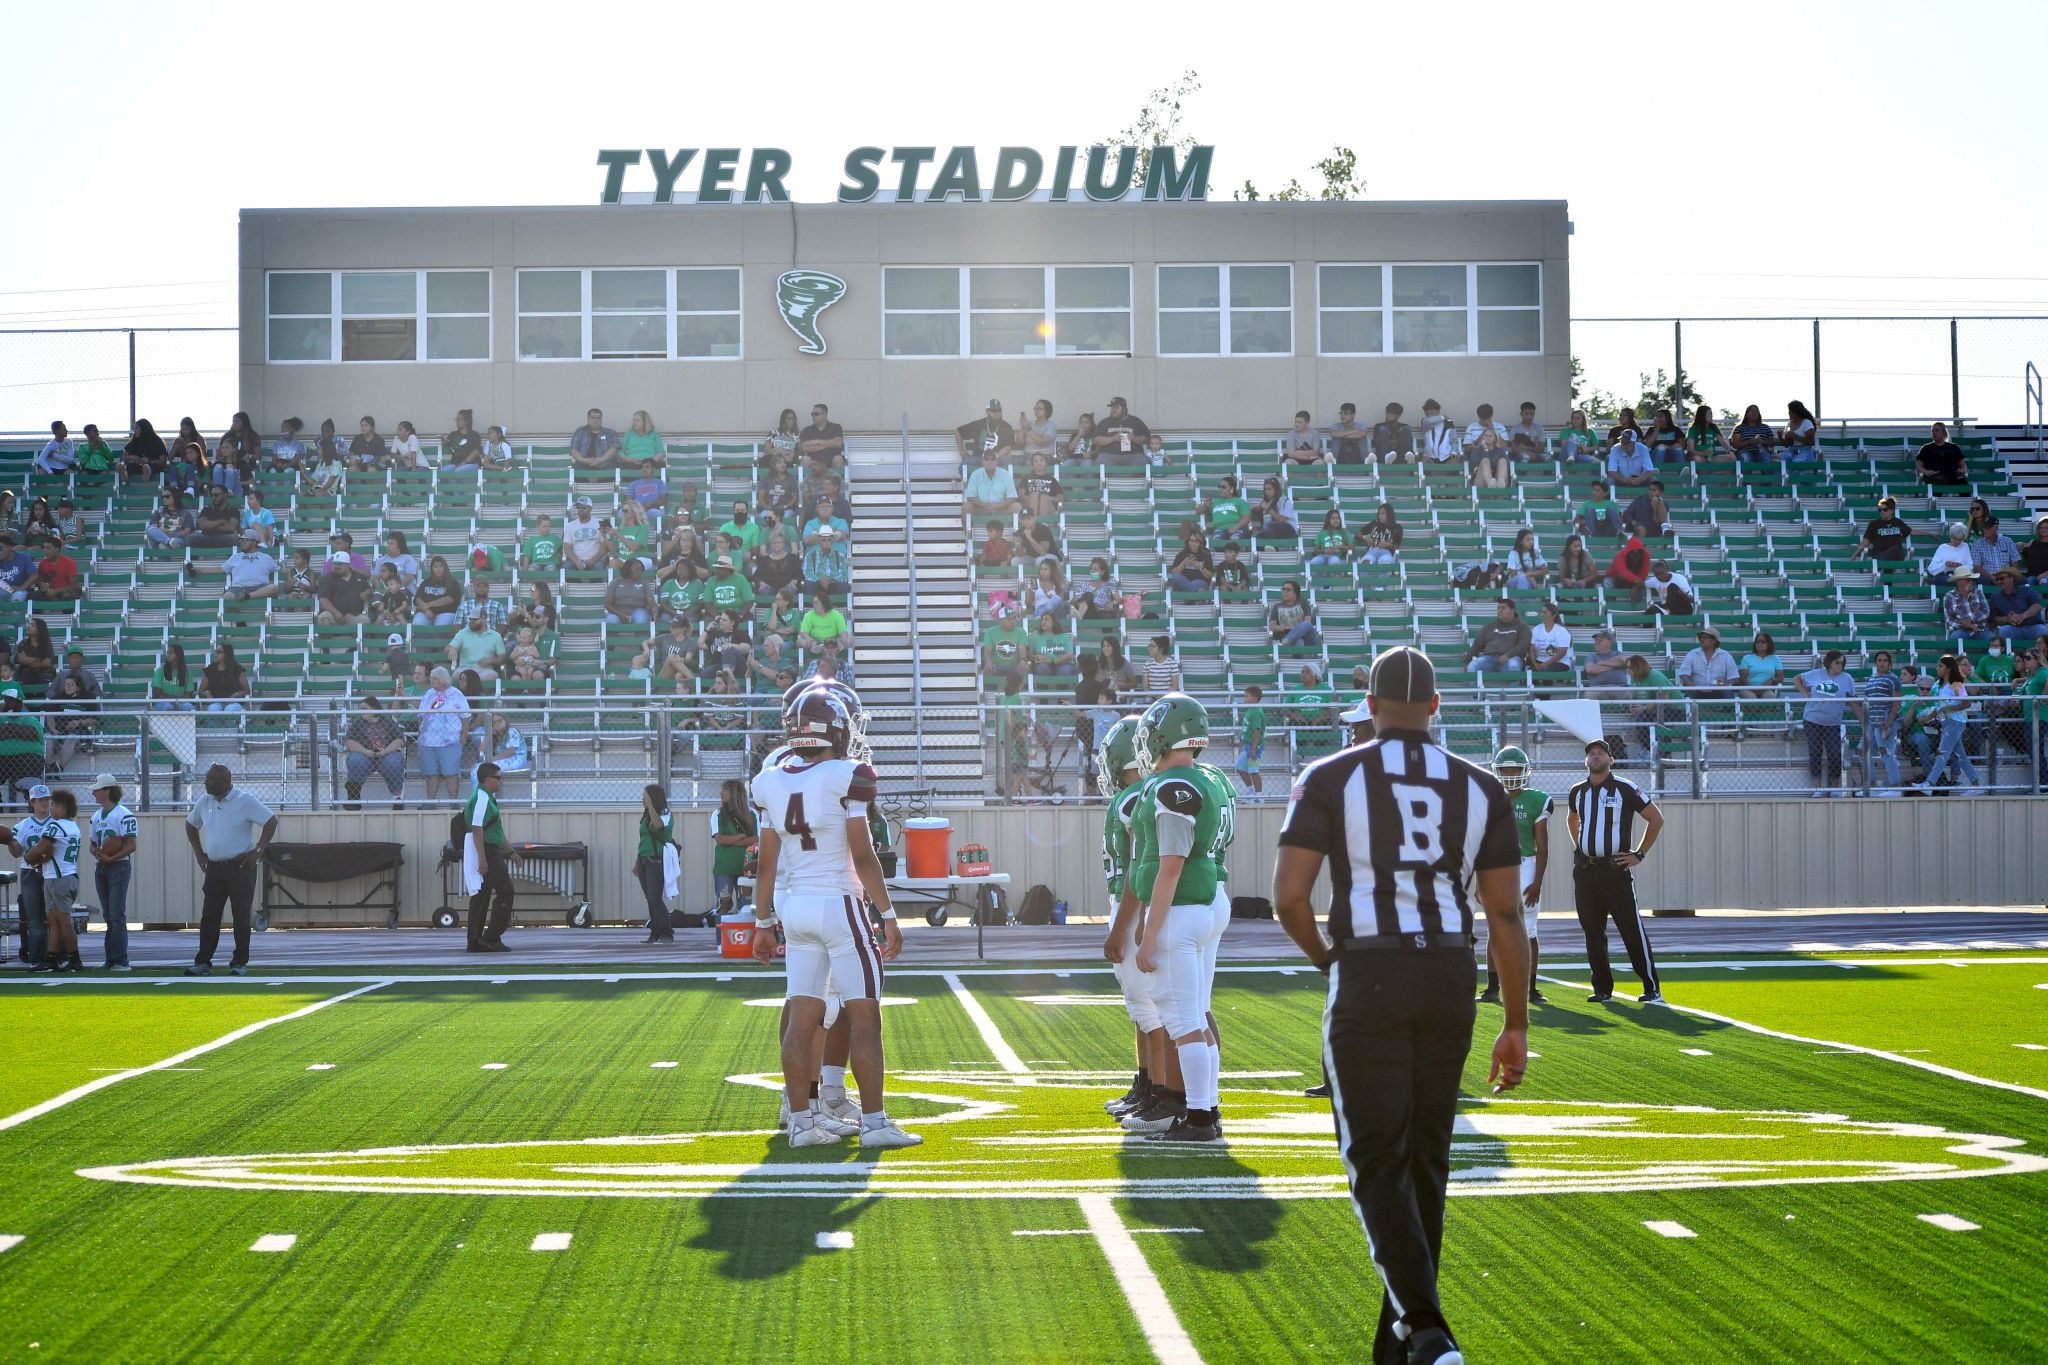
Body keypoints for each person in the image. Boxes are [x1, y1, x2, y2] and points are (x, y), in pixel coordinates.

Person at [1272, 646, 1528, 1365]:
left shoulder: (1330, 776)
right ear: (1438, 705)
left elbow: (1290, 896)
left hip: (1372, 969)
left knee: (1375, 1158)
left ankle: (1423, 1328)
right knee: (1425, 1166)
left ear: (1372, 706)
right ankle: (1409, 1350)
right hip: (1450, 972)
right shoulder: (1481, 786)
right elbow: (1505, 914)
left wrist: (1330, 960)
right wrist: (1516, 1022)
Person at [751, 688, 919, 1149]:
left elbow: (765, 866)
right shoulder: (849, 774)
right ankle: (877, 1123)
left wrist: (762, 923)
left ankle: (802, 1124)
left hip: (796, 908)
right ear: (837, 731)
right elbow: (863, 855)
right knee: (865, 1016)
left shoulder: (769, 780)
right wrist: (888, 913)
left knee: (802, 1016)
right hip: (840, 905)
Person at [1118, 694, 1234, 1143]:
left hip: (1183, 909)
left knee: (1184, 1023)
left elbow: (1169, 865)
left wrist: (1148, 935)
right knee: (1196, 1016)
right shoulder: (1209, 778)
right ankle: (1205, 1111)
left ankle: (1202, 1118)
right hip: (1205, 902)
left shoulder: (1171, 788)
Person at [1097, 715, 1175, 1120]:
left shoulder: (1136, 797)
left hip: (1136, 906)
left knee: (1150, 1009)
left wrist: (1125, 923)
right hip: (1131, 905)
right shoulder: (1134, 796)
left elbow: (1137, 870)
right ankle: (1148, 1084)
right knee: (1139, 1007)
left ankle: (1161, 1093)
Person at [1566, 739, 1664, 1004]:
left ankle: (1651, 986)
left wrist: (1639, 854)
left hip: (1615, 870)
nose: (1596, 757)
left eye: (1601, 753)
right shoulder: (1577, 791)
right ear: (1586, 761)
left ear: (1611, 760)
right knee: (1592, 931)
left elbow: (1656, 819)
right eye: (1591, 754)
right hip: (1586, 871)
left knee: (1630, 928)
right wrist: (1580, 846)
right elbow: (1571, 818)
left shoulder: (1626, 788)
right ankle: (1602, 988)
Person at [183, 764, 278, 976]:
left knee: (241, 915)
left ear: (225, 782)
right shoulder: (204, 801)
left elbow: (271, 821)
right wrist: (199, 852)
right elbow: (190, 825)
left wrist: (258, 851)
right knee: (210, 915)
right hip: (215, 868)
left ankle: (239, 963)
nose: (205, 783)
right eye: (206, 779)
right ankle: (203, 962)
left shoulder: (244, 800)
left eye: (210, 780)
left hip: (240, 867)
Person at [1478, 746, 1549, 1006]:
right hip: (1495, 867)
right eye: (1505, 769)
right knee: (1495, 929)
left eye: (1515, 769)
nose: (1510, 774)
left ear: (1524, 771)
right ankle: (1492, 987)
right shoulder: (1487, 798)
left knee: (1529, 930)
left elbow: (1543, 847)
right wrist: (1480, 881)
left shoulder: (1537, 799)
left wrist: (1538, 882)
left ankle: (1531, 988)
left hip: (1525, 865)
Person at [462, 762, 520, 951]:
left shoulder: (486, 797)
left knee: (482, 895)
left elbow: (495, 830)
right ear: (488, 779)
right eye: (499, 777)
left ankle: (475, 941)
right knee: (506, 891)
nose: (500, 781)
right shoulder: (481, 798)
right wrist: (483, 859)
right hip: (486, 850)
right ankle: (492, 937)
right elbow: (477, 828)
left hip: (487, 849)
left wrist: (511, 852)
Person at [1910, 655, 1985, 796]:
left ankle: (1929, 783)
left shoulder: (1956, 684)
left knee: (1942, 753)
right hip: (1946, 723)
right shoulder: (1939, 685)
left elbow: (1967, 703)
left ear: (1949, 668)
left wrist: (1950, 709)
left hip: (1955, 722)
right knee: (1960, 755)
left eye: (1941, 666)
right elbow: (1939, 706)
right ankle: (1976, 784)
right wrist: (1927, 718)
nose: (1937, 669)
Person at [1794, 650, 1861, 796]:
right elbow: (1797, 679)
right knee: (1815, 753)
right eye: (1837, 662)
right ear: (1829, 662)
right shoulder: (1817, 673)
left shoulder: (1847, 678)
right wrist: (1806, 695)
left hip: (1833, 723)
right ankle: (1818, 789)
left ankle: (1834, 788)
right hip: (1813, 720)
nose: (1840, 665)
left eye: (1842, 663)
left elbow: (1853, 700)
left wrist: (1863, 719)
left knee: (1834, 754)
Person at [88, 775, 136, 971]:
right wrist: (97, 852)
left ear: (107, 790)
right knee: (109, 915)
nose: (93, 792)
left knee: (116, 914)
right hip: (103, 866)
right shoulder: (97, 816)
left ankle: (120, 960)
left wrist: (111, 857)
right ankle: (111, 959)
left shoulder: (124, 814)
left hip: (118, 867)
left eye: (97, 789)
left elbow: (131, 845)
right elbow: (93, 843)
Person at [417, 667, 471, 802]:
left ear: (442, 679)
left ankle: (453, 802)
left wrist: (464, 735)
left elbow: (466, 716)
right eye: (431, 678)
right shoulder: (428, 694)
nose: (431, 680)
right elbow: (421, 714)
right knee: (431, 775)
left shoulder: (457, 694)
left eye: (434, 678)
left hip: (449, 742)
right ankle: (430, 803)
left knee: (451, 774)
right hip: (427, 742)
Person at [343, 695, 407, 806]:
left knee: (394, 761)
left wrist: (385, 751)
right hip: (365, 756)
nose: (361, 711)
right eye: (360, 708)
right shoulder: (357, 723)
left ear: (374, 709)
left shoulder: (388, 722)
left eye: (364, 708)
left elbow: (399, 740)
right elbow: (349, 742)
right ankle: (354, 798)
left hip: (386, 755)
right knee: (355, 760)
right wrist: (365, 751)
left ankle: (397, 798)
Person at [635, 785, 678, 944]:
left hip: (656, 860)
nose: (642, 799)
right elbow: (644, 840)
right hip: (644, 860)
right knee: (650, 899)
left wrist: (651, 806)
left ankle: (666, 932)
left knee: (655, 898)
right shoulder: (647, 816)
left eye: (645, 796)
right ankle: (655, 932)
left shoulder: (664, 814)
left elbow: (659, 826)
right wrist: (637, 861)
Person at [1861, 651, 1905, 795]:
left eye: (1885, 660)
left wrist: (1889, 721)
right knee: (1863, 751)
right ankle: (1873, 784)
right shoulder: (1872, 679)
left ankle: (1895, 786)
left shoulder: (1893, 679)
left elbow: (1897, 702)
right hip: (1871, 721)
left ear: (1889, 663)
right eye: (1879, 660)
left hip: (1885, 722)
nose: (1882, 663)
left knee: (1886, 753)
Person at [1464, 598, 1530, 675]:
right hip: (1489, 658)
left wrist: (1508, 655)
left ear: (1512, 610)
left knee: (1514, 667)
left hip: (1512, 658)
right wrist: (1466, 662)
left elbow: (1523, 645)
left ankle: (1514, 687)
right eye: (1498, 608)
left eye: (1503, 608)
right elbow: (1476, 645)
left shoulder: (1522, 626)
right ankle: (1473, 686)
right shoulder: (1489, 627)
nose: (1499, 610)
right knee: (1472, 666)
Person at [1676, 626, 1738, 699]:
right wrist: (1692, 686)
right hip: (1697, 690)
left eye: (1705, 637)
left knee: (1727, 692)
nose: (1702, 639)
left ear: (1714, 641)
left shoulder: (1726, 656)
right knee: (1691, 693)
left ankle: (1732, 710)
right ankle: (1687, 710)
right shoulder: (1692, 653)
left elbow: (1733, 677)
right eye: (1700, 637)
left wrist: (1725, 683)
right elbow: (1684, 674)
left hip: (1718, 690)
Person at [1989, 565, 2047, 642]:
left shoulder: (2026, 590)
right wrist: (2006, 619)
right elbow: (1994, 618)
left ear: (2012, 578)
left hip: (2032, 626)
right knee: (2003, 631)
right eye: (1997, 579)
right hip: (2012, 628)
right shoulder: (1995, 597)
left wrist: (2022, 616)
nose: (1999, 581)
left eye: (2002, 578)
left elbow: (2037, 606)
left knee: (2043, 630)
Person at [962, 448, 1020, 522]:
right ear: (982, 461)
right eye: (986, 459)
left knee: (1016, 506)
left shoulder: (1006, 475)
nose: (989, 462)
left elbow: (1012, 497)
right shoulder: (975, 475)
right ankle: (967, 533)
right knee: (967, 507)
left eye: (992, 459)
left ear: (997, 461)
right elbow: (971, 496)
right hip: (981, 509)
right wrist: (985, 505)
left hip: (1001, 510)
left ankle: (1017, 533)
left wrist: (996, 506)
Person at [1093, 396, 1151, 466]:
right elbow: (1096, 440)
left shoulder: (1135, 421)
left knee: (1142, 462)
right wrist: (1113, 439)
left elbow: (1147, 439)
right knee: (1100, 461)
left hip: (1133, 456)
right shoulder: (1105, 422)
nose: (1113, 410)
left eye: (1117, 407)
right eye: (1112, 408)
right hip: (1109, 456)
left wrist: (1134, 438)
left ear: (1125, 409)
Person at [1943, 568, 1993, 648]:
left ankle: (1981, 660)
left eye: (1971, 580)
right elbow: (1949, 619)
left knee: (1992, 639)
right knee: (1954, 639)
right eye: (1968, 580)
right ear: (1958, 582)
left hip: (1981, 629)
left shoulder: (1978, 592)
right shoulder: (1949, 596)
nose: (1971, 582)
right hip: (1961, 630)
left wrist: (1971, 620)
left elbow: (1986, 611)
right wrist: (1966, 625)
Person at [957, 398, 1016, 465]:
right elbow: (958, 431)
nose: (997, 412)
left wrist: (994, 457)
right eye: (994, 410)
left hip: (998, 458)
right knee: (966, 463)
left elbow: (1008, 447)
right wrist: (961, 451)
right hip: (979, 458)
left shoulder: (1006, 427)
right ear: (987, 411)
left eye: (999, 410)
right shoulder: (978, 424)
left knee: (1007, 461)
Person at [1267, 580, 1320, 647]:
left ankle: (1287, 641)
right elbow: (1272, 626)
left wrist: (1295, 629)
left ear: (1295, 593)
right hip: (1287, 634)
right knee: (1299, 643)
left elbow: (1307, 622)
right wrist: (1286, 628)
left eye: (1288, 590)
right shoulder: (1277, 607)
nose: (1284, 592)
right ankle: (1288, 641)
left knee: (1307, 624)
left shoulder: (1303, 603)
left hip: (1306, 636)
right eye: (1283, 589)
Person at [199, 642, 250, 713]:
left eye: (219, 652)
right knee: (213, 709)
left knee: (230, 709)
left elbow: (247, 691)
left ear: (227, 654)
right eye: (215, 652)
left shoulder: (238, 670)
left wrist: (237, 695)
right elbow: (201, 691)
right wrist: (207, 694)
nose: (216, 654)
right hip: (215, 702)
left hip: (234, 703)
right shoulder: (210, 670)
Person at [317, 556, 367, 625]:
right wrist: (336, 612)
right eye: (335, 564)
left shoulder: (358, 577)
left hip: (353, 615)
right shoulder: (327, 578)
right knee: (323, 619)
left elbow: (368, 589)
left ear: (348, 565)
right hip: (332, 614)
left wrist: (367, 593)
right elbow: (323, 599)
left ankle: (355, 636)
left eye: (340, 564)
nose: (336, 566)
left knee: (364, 621)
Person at [1234, 685, 1266, 793]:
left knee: (1253, 771)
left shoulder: (1256, 711)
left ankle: (1259, 796)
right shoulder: (1250, 710)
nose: (1245, 698)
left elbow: (1257, 731)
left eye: (1247, 696)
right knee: (1240, 767)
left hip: (1254, 746)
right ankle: (1251, 792)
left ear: (1255, 697)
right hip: (1248, 746)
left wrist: (1253, 748)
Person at [798, 403, 846, 474]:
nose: (813, 416)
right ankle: (804, 485)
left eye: (816, 414)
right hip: (813, 463)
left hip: (831, 462)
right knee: (805, 459)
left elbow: (838, 443)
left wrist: (817, 441)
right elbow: (804, 447)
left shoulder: (835, 427)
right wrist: (829, 444)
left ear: (825, 415)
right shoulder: (807, 430)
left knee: (838, 459)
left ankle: (839, 484)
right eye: (812, 414)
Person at [1915, 422, 1968, 486]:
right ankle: (1935, 496)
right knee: (1939, 479)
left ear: (1943, 432)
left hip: (1953, 474)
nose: (1934, 432)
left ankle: (1968, 496)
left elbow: (1963, 465)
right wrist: (1926, 472)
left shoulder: (1954, 447)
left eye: (1937, 430)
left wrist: (1962, 470)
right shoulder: (1926, 448)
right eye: (1932, 431)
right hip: (1935, 475)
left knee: (1962, 480)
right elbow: (1918, 465)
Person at [1528, 601, 1573, 677]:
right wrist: (1535, 664)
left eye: (1545, 613)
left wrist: (1545, 664)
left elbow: (1562, 652)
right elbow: (1531, 649)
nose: (1541, 615)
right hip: (1540, 661)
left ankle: (1546, 688)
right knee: (1530, 673)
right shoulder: (1536, 629)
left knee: (1546, 672)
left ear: (1554, 615)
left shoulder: (1561, 631)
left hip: (1560, 662)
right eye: (1541, 612)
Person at [1583, 629, 1629, 700]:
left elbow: (1623, 661)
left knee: (1631, 693)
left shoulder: (1618, 653)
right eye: (1595, 640)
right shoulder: (1591, 656)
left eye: (1600, 640)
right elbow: (1590, 669)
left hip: (1620, 688)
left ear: (1609, 642)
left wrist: (1601, 663)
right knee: (1589, 695)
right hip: (1597, 689)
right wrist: (1614, 664)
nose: (1596, 642)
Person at [569, 408, 620, 472]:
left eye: (598, 418)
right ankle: (582, 482)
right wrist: (583, 460)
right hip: (583, 463)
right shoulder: (580, 432)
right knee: (576, 468)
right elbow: (573, 449)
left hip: (605, 463)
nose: (595, 420)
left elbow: (614, 448)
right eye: (592, 418)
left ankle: (603, 482)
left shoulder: (610, 433)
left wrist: (601, 460)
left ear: (601, 419)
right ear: (588, 419)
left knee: (612, 467)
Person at [1926, 523, 1974, 587]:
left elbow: (1970, 566)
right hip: (1944, 576)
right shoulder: (1942, 548)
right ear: (1951, 536)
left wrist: (1961, 567)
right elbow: (1931, 568)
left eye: (1960, 539)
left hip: (1960, 576)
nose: (1957, 541)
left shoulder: (1965, 546)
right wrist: (1945, 564)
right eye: (1955, 538)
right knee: (1944, 580)